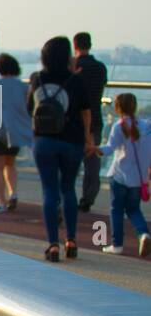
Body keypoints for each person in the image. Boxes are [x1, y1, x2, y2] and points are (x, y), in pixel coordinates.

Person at [28, 35, 96, 262]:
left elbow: (30, 108)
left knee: (49, 191)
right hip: (72, 141)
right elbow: (86, 112)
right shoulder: (75, 80)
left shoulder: (37, 79)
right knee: (68, 189)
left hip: (44, 141)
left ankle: (53, 244)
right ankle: (72, 240)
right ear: (68, 56)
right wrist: (88, 138)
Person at [97, 93, 151, 257]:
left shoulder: (118, 126)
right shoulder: (146, 126)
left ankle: (117, 245)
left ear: (118, 108)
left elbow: (109, 149)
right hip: (138, 179)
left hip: (119, 175)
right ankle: (144, 234)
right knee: (134, 209)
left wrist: (95, 149)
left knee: (116, 210)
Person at [0, 53, 31, 212]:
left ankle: (1, 202)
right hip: (16, 131)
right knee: (10, 163)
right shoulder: (24, 86)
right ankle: (13, 193)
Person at [74, 32, 109, 211]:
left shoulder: (74, 66)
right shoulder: (100, 68)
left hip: (74, 120)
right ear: (90, 45)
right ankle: (88, 198)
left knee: (69, 160)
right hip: (95, 118)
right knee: (92, 162)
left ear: (75, 45)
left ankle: (66, 197)